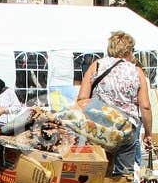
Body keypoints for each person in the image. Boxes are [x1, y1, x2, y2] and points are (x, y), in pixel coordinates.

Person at [64, 31, 151, 175]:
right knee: (124, 174)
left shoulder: (97, 66)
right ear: (128, 50)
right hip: (126, 128)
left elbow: (82, 99)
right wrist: (148, 133)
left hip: (99, 126)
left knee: (97, 171)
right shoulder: (137, 71)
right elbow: (145, 106)